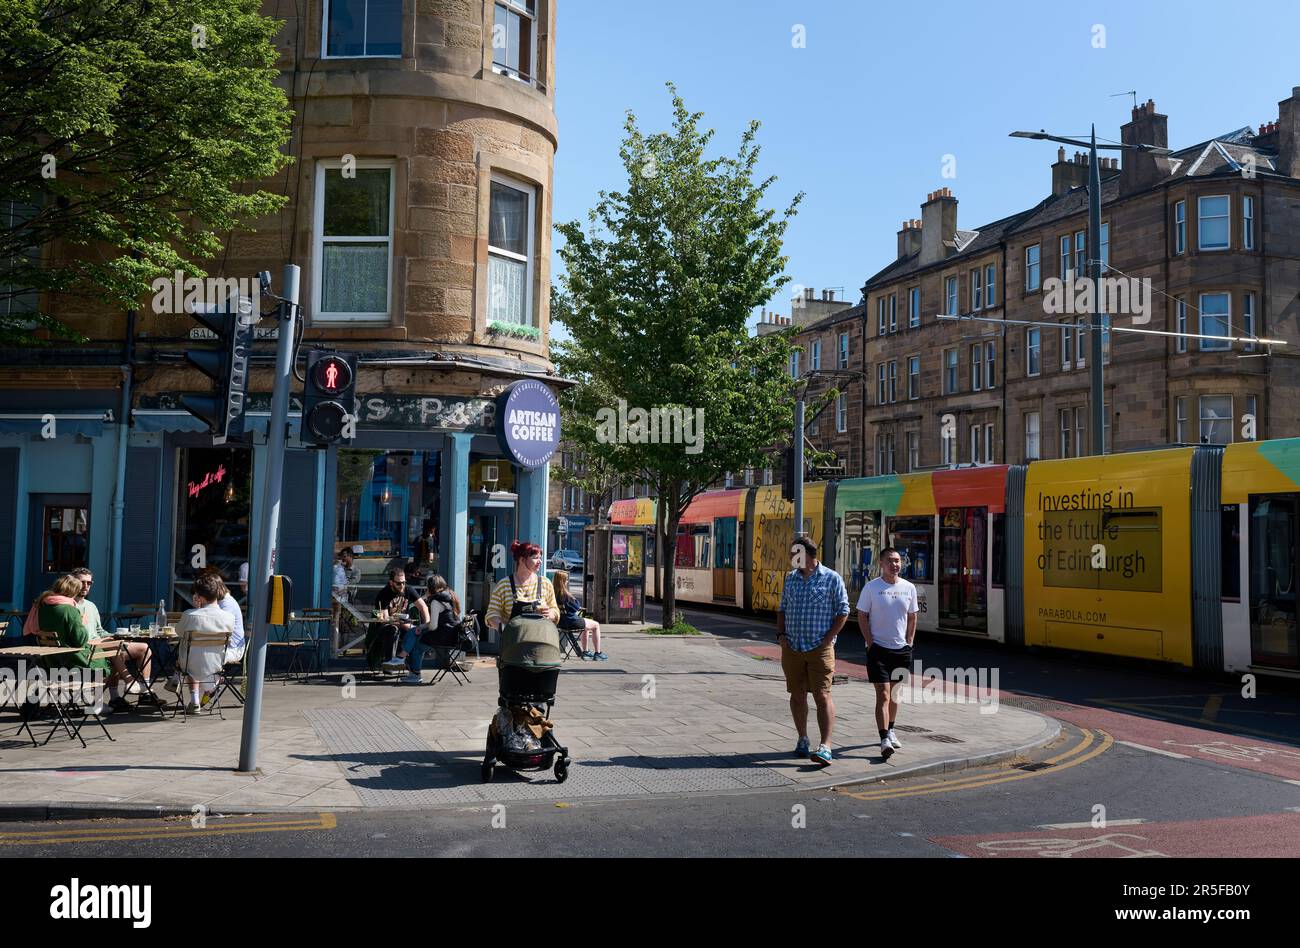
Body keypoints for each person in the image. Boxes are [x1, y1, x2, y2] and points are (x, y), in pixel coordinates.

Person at [777, 536, 849, 767]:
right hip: (793, 648)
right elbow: (782, 609)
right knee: (797, 694)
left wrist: (828, 639)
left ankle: (826, 746)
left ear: (806, 555)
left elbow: (843, 611)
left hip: (820, 648)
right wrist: (781, 636)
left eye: (793, 554)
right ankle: (802, 739)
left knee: (822, 695)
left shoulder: (831, 578)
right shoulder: (790, 579)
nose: (790, 558)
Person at [857, 546, 919, 761]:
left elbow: (912, 617)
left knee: (895, 694)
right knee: (883, 694)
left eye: (898, 561)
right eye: (891, 561)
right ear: (881, 564)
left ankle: (891, 729)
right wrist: (870, 643)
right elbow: (862, 616)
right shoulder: (872, 588)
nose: (895, 564)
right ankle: (884, 739)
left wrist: (909, 642)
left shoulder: (909, 587)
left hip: (901, 650)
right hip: (878, 650)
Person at [70, 567, 159, 706]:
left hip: (103, 645)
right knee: (115, 651)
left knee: (144, 648)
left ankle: (144, 692)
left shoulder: (91, 605)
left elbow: (99, 630)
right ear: (73, 582)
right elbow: (78, 636)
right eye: (82, 582)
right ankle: (122, 689)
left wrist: (117, 636)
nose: (85, 586)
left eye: (89, 583)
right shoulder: (69, 606)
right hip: (87, 649)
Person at [174, 573, 235, 714]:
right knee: (195, 653)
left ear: (199, 597)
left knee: (187, 649)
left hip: (190, 664)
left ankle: (185, 689)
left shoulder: (190, 615)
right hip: (215, 664)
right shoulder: (229, 618)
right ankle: (208, 687)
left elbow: (178, 632)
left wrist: (197, 609)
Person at [396, 574, 461, 684]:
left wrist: (421, 629)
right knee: (414, 632)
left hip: (443, 637)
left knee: (417, 644)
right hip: (451, 635)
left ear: (431, 588)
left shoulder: (436, 601)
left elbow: (433, 626)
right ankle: (404, 661)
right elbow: (436, 623)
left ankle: (407, 665)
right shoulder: (449, 595)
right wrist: (421, 627)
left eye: (427, 587)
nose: (426, 589)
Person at [485, 540, 559, 632]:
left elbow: (555, 610)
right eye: (535, 558)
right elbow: (492, 614)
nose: (540, 561)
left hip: (540, 641)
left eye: (540, 558)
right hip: (513, 643)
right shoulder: (504, 585)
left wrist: (550, 614)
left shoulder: (545, 583)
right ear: (522, 560)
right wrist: (505, 629)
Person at [371, 568, 417, 672]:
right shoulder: (383, 594)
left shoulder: (408, 590)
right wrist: (401, 624)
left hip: (402, 625)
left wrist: (425, 625)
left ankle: (412, 667)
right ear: (391, 582)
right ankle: (390, 664)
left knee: (415, 631)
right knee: (393, 630)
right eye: (399, 583)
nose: (402, 586)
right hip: (384, 628)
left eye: (404, 583)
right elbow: (385, 619)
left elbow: (423, 607)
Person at [553, 570, 604, 660]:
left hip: (561, 623)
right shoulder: (566, 595)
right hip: (571, 622)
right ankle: (598, 653)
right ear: (563, 581)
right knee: (596, 625)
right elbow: (576, 606)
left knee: (586, 625)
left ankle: (586, 651)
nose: (568, 581)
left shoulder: (553, 595)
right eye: (567, 580)